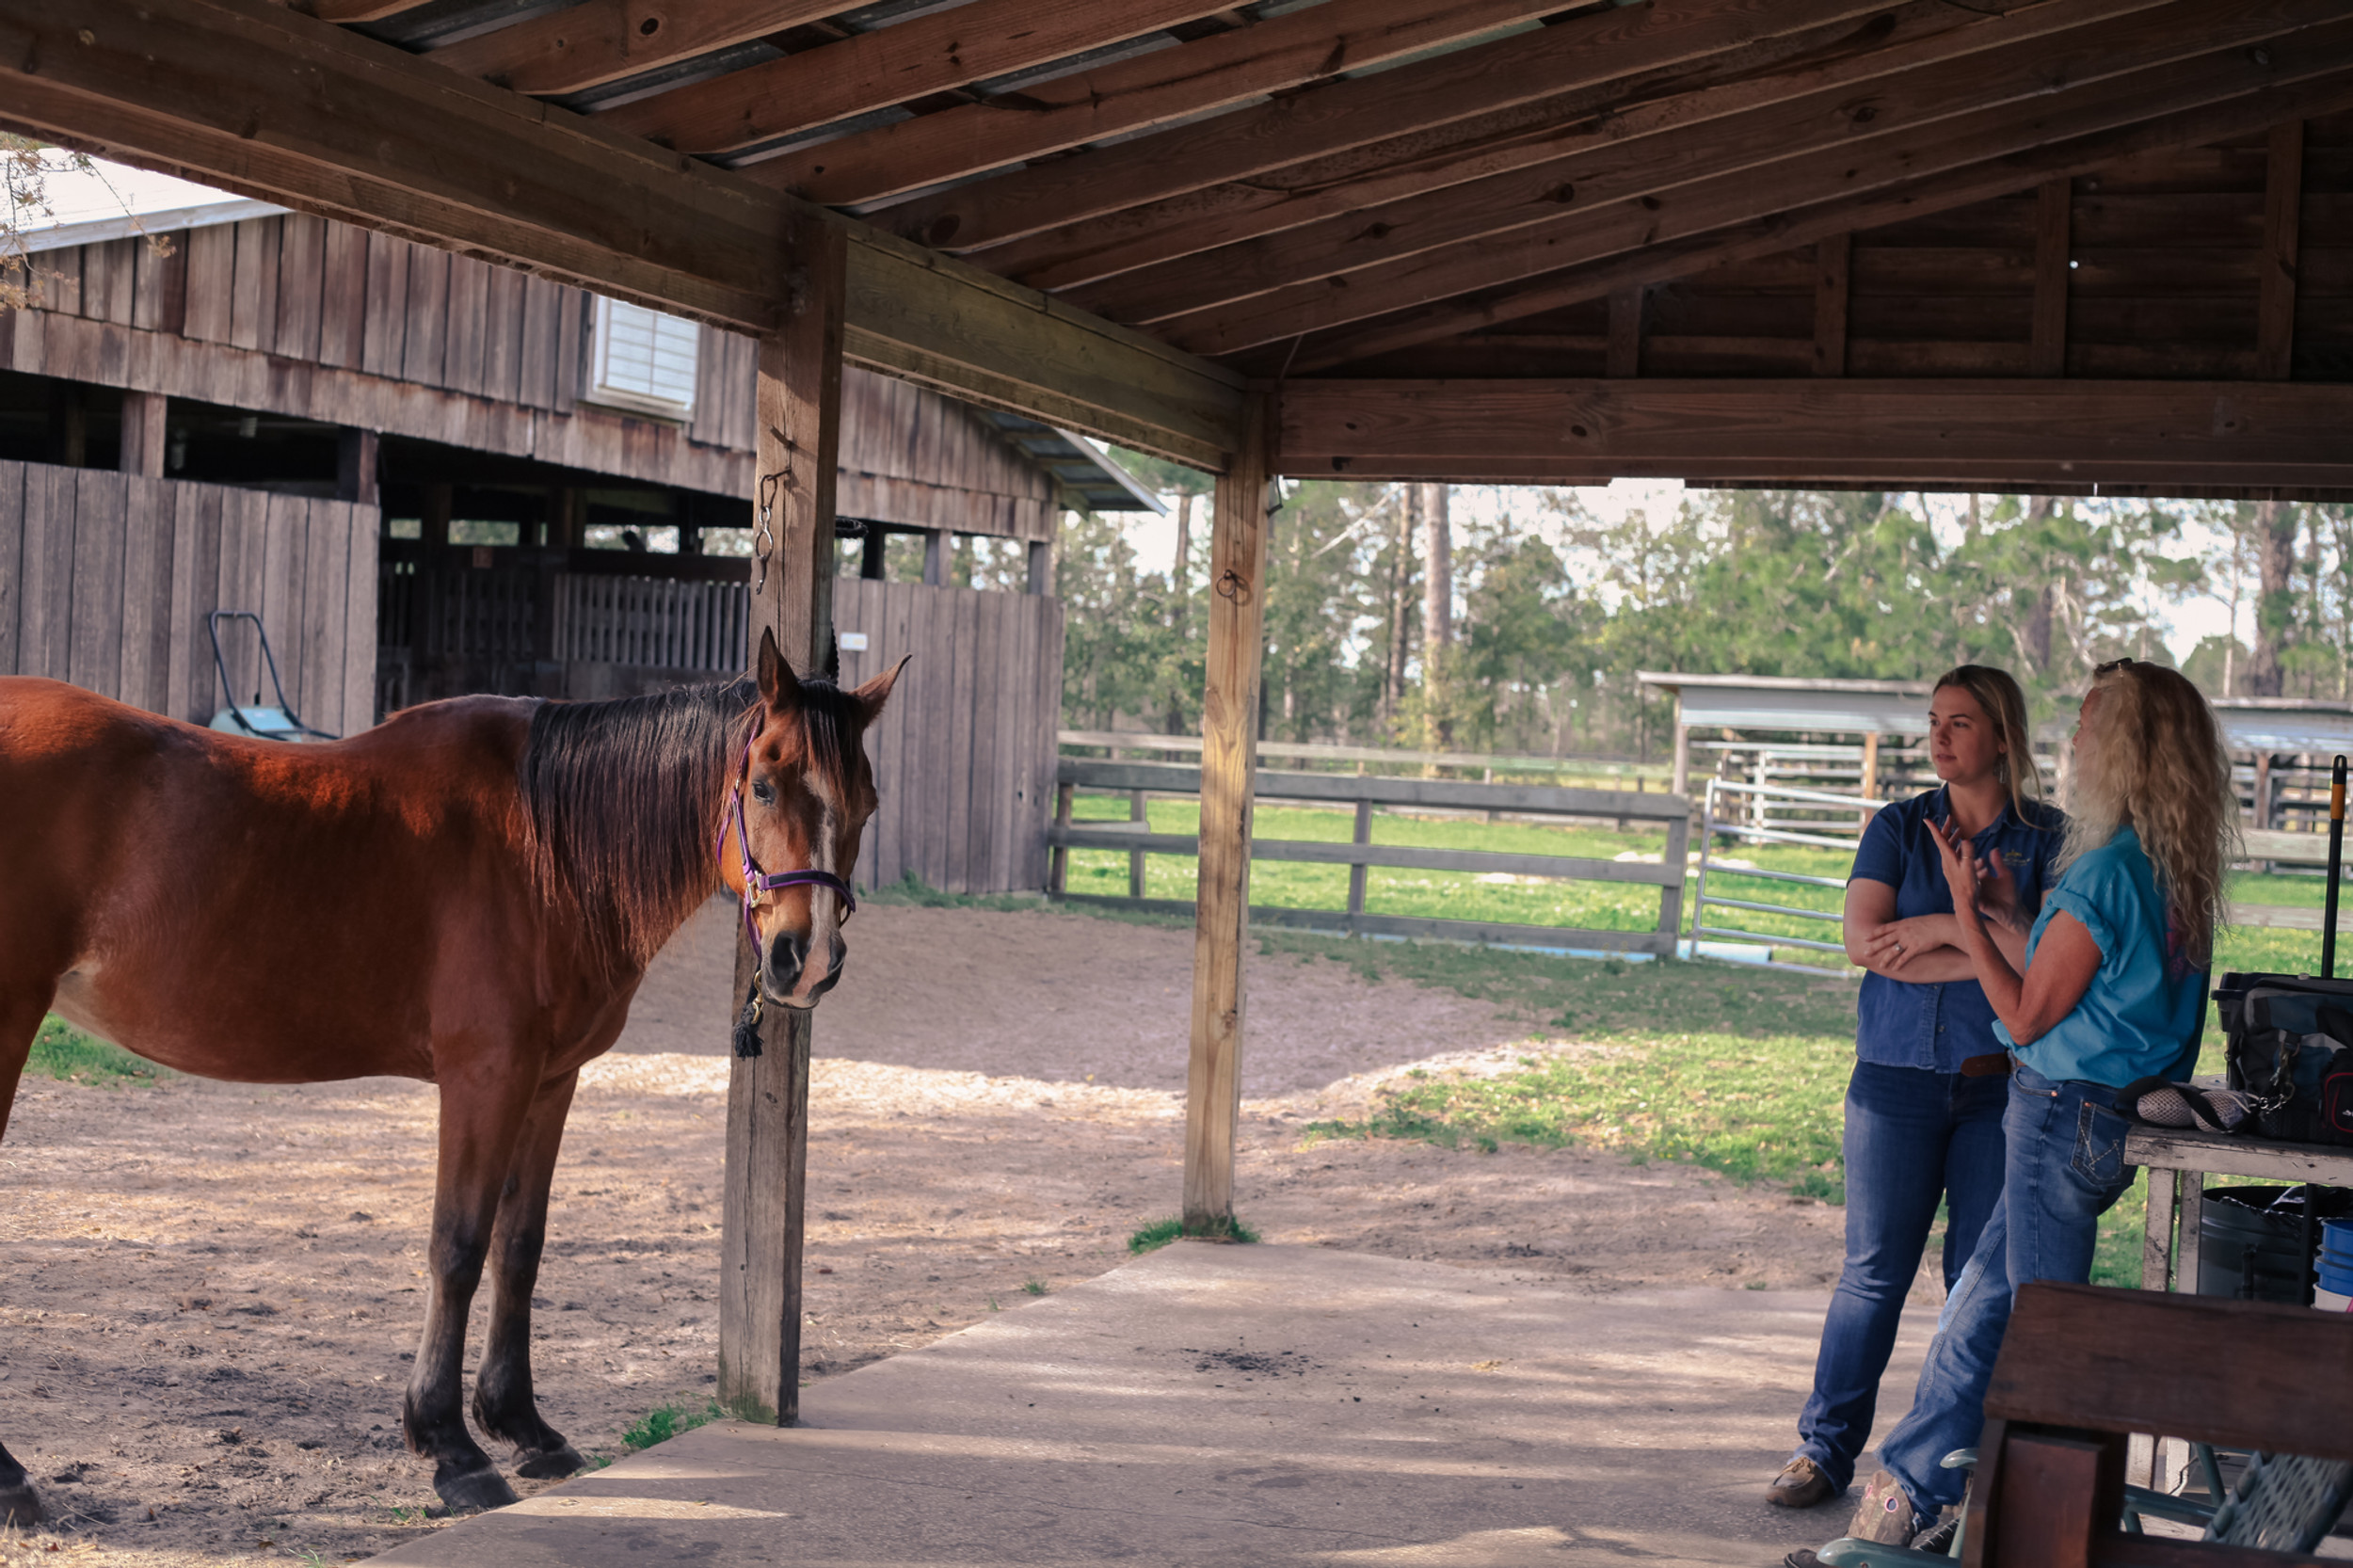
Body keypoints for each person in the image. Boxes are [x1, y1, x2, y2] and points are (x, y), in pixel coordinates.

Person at [1842, 659, 2235, 1547]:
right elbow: (2110, 1000)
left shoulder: (2100, 876)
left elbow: (2020, 1010)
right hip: (2108, 1117)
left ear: (2125, 749)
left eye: (2093, 721)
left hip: (2055, 1111)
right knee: (1978, 1307)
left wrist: (1963, 917)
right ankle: (1902, 1501)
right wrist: (2013, 917)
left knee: (2042, 1330)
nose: (2078, 737)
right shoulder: (2173, 872)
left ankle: (2038, 1519)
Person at [1768, 667, 2065, 1512]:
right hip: (1892, 1085)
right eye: (1934, 721)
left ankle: (1958, 1468)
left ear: (2002, 736)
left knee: (1976, 1286)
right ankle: (1823, 1451)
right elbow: (1866, 942)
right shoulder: (1897, 827)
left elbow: (2052, 963)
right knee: (1871, 1275)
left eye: (1960, 723)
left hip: (1998, 1093)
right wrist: (1987, 943)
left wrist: (1941, 926)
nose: (1938, 738)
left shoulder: (2051, 840)